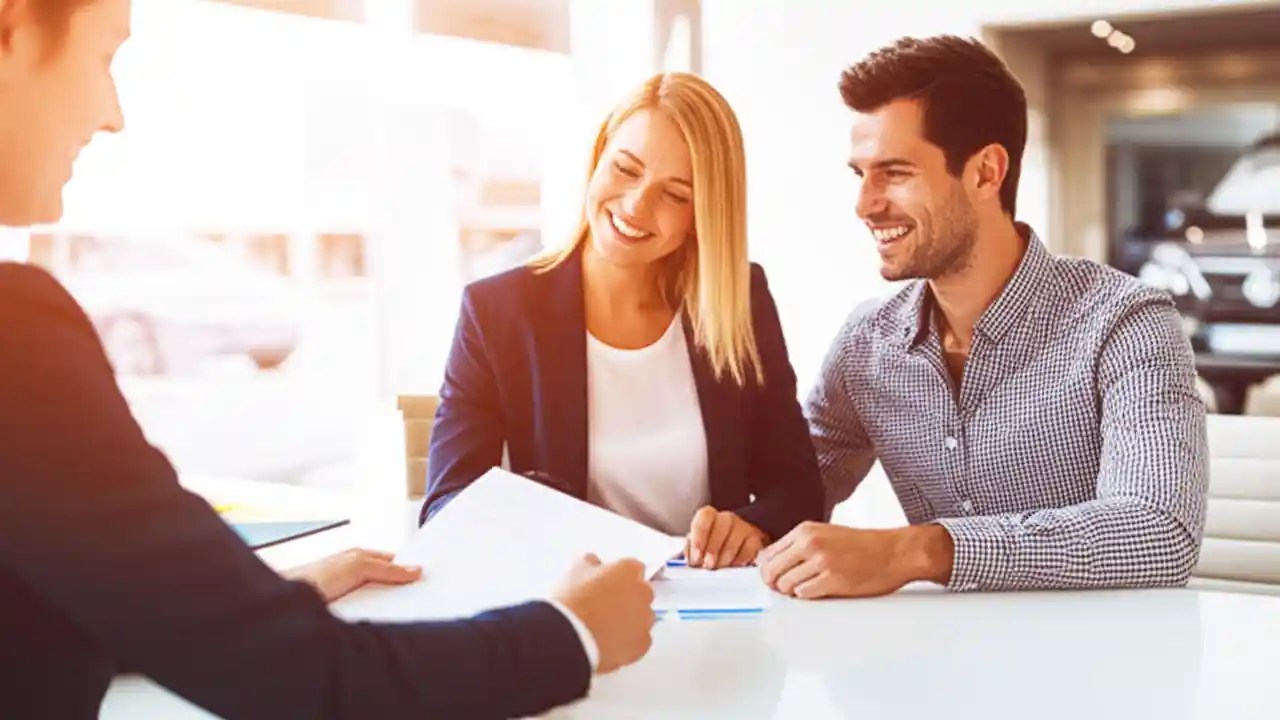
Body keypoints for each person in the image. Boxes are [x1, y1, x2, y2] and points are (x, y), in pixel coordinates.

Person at [0, 1, 655, 717]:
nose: (112, 115)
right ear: (12, 26)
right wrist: (572, 636)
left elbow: (61, 603)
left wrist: (260, 602)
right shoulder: (16, 337)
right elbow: (311, 680)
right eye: (103, 56)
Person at [758, 35, 1208, 598]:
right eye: (860, 174)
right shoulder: (867, 343)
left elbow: (1159, 532)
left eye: (895, 173)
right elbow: (794, 490)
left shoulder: (1126, 322)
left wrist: (916, 551)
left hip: (1102, 652)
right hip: (940, 650)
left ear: (985, 172)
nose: (865, 205)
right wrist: (747, 523)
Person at [422, 72, 824, 569]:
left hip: (706, 593)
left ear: (703, 213)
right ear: (598, 158)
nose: (636, 206)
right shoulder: (497, 312)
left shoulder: (739, 300)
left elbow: (800, 489)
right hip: (574, 594)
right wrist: (528, 514)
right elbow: (445, 509)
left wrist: (753, 526)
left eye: (675, 194)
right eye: (626, 169)